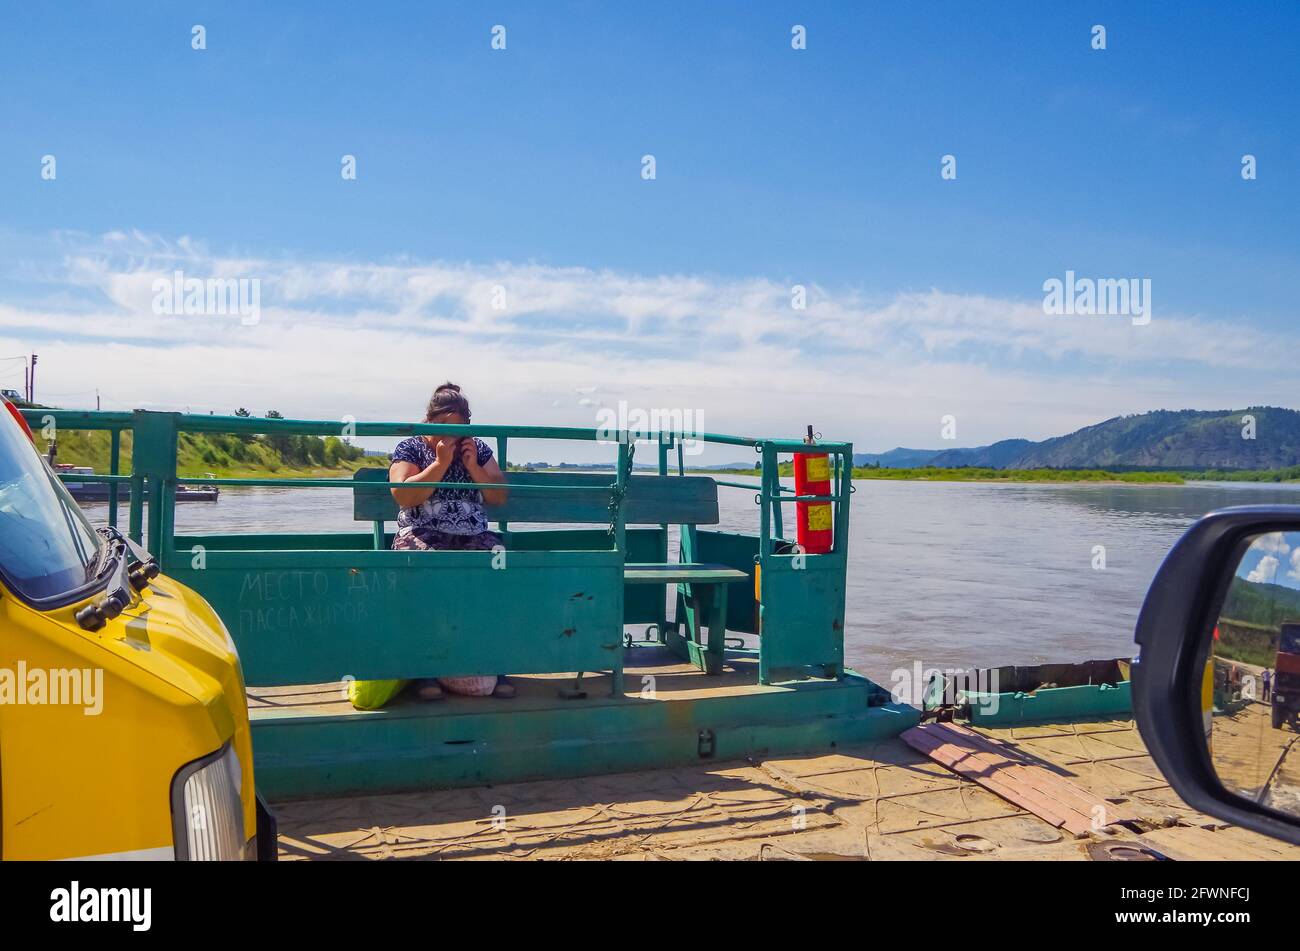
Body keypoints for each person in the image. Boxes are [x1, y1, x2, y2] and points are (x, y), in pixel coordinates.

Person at [389, 382, 514, 700]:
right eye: (444, 426)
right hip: (422, 533)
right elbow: (403, 495)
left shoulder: (479, 450)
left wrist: (473, 467)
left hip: (472, 535)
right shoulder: (411, 448)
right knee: (426, 569)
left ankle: (494, 667)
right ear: (429, 421)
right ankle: (424, 671)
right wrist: (440, 463)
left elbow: (499, 496)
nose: (451, 436)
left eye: (458, 429)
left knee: (501, 566)